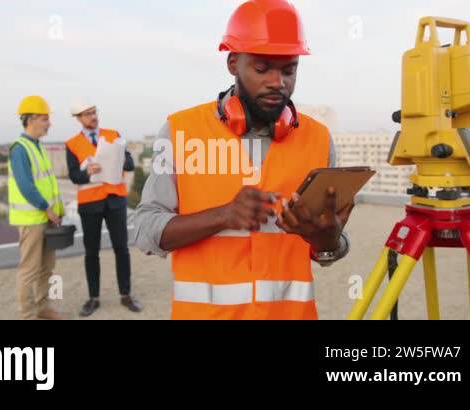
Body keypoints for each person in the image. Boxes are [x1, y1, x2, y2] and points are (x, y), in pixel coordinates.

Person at [135, 0, 355, 320]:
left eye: (288, 70)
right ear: (233, 63)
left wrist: (327, 240)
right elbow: (143, 230)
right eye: (262, 68)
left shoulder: (319, 139)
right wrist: (222, 216)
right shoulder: (179, 131)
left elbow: (329, 249)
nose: (277, 82)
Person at [66, 98, 142, 317]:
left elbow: (129, 163)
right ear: (78, 119)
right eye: (87, 113)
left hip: (115, 200)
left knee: (122, 248)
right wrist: (87, 172)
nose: (93, 116)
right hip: (90, 203)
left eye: (94, 111)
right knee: (92, 252)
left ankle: (126, 294)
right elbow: (73, 176)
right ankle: (93, 298)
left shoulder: (113, 135)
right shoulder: (71, 144)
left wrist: (117, 160)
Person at [8, 95, 64, 320]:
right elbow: (25, 185)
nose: (48, 123)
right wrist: (46, 208)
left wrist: (56, 210)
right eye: (44, 119)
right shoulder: (20, 149)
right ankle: (27, 315)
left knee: (46, 268)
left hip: (46, 218)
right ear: (30, 119)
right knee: (29, 270)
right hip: (31, 220)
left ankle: (43, 309)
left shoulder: (37, 146)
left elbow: (47, 182)